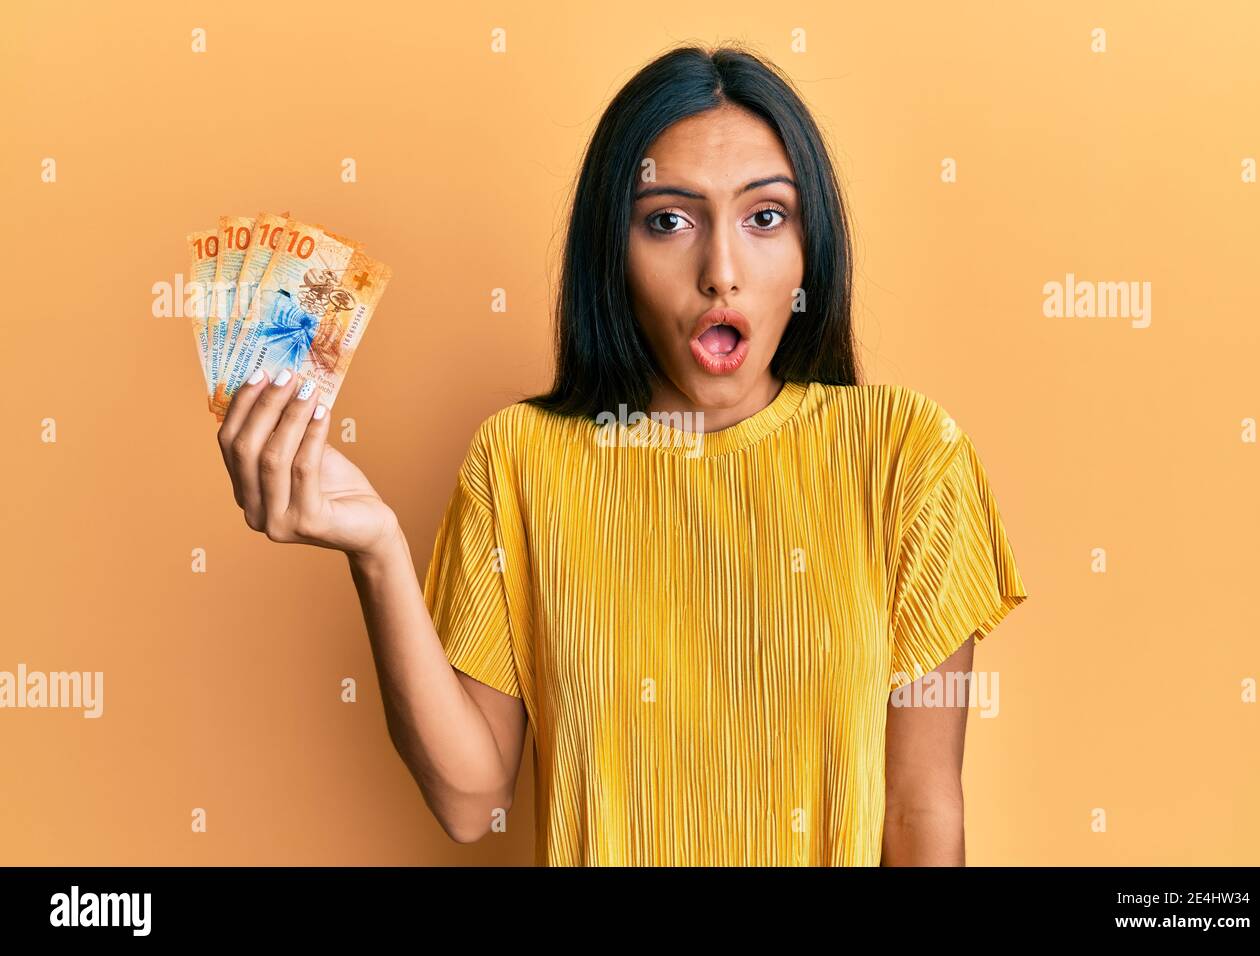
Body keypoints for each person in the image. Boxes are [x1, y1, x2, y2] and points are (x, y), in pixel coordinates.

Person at [215, 44, 1028, 866]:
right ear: (614, 250)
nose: (721, 272)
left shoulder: (907, 459)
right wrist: (377, 550)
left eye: (765, 216)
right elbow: (471, 801)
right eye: (668, 220)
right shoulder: (519, 462)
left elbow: (920, 817)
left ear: (810, 249)